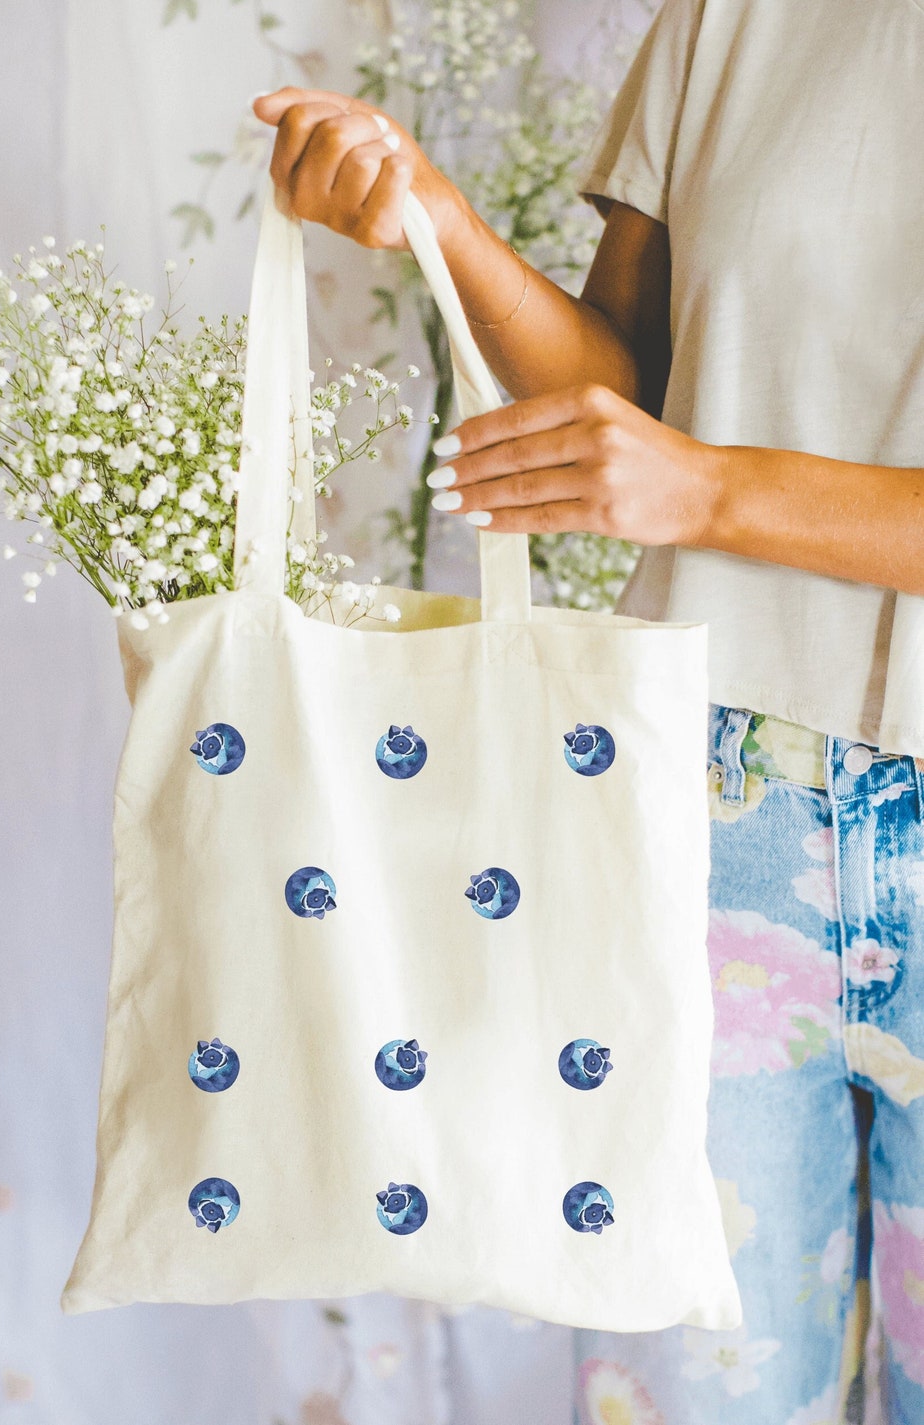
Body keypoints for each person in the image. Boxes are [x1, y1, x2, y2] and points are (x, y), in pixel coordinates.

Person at [252, 0, 924, 1419]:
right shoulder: (733, 16)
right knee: (685, 1395)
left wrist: (717, 490)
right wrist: (432, 211)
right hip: (706, 807)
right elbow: (630, 388)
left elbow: (687, 465)